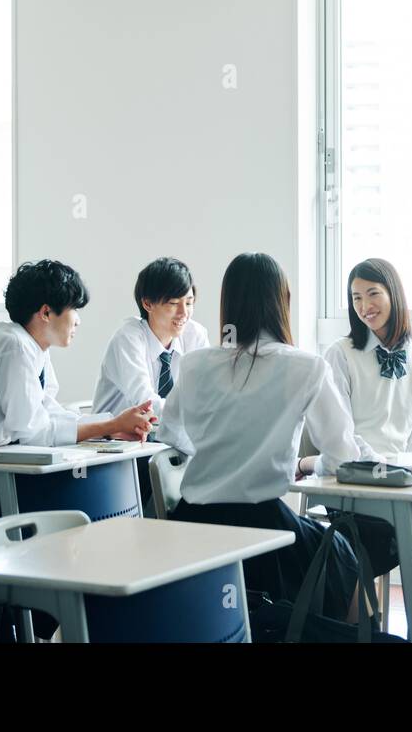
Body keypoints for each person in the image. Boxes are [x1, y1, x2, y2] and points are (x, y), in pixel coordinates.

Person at [159, 253, 364, 618]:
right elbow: (344, 457)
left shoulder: (193, 364)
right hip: (264, 533)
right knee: (343, 556)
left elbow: (170, 430)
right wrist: (307, 464)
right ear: (282, 302)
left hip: (192, 526)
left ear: (228, 302)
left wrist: (216, 451)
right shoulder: (305, 366)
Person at [0, 260, 154, 551]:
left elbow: (50, 412)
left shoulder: (32, 346)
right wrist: (111, 425)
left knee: (73, 512)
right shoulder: (13, 346)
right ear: (46, 312)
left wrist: (109, 429)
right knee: (67, 522)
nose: (78, 320)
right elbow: (34, 432)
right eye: (74, 310)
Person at [323, 258, 412, 573]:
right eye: (356, 297)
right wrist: (383, 470)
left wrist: (406, 469)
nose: (364, 305)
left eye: (372, 294)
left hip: (406, 478)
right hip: (353, 479)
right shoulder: (340, 354)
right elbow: (341, 432)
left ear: (393, 294)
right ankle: (376, 619)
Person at [92, 257, 209, 513]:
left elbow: (207, 397)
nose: (183, 314)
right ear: (147, 304)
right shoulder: (129, 337)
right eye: (173, 304)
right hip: (118, 449)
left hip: (167, 444)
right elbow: (146, 404)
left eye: (189, 303)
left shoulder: (195, 334)